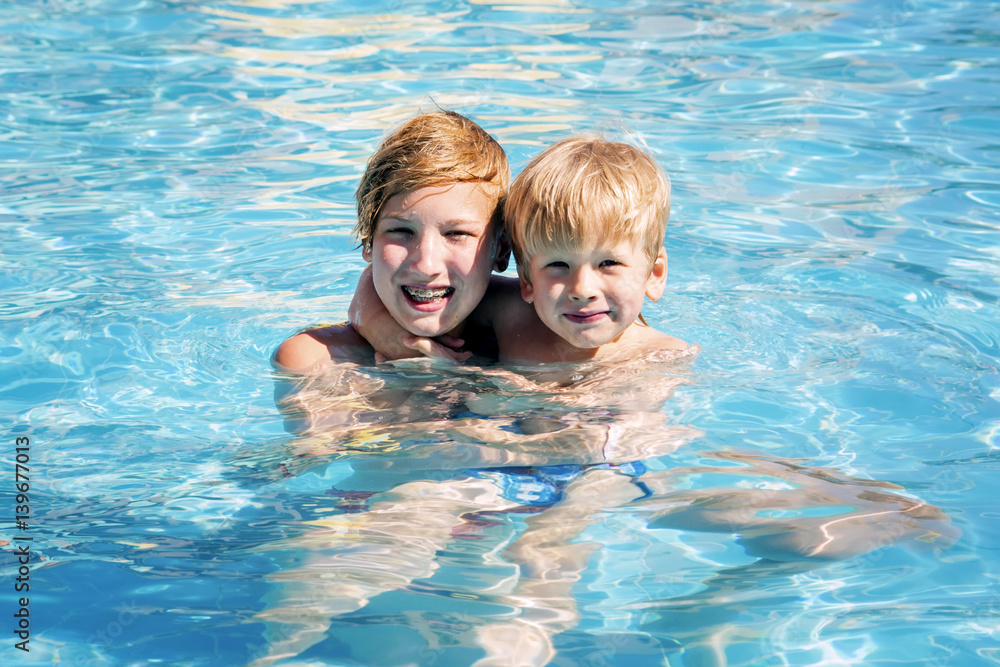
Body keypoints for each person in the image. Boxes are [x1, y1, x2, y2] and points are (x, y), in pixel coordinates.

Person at [272, 109, 511, 373]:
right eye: (401, 231)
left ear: (501, 250)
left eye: (456, 234)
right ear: (368, 241)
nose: (425, 265)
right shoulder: (315, 360)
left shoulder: (535, 341)